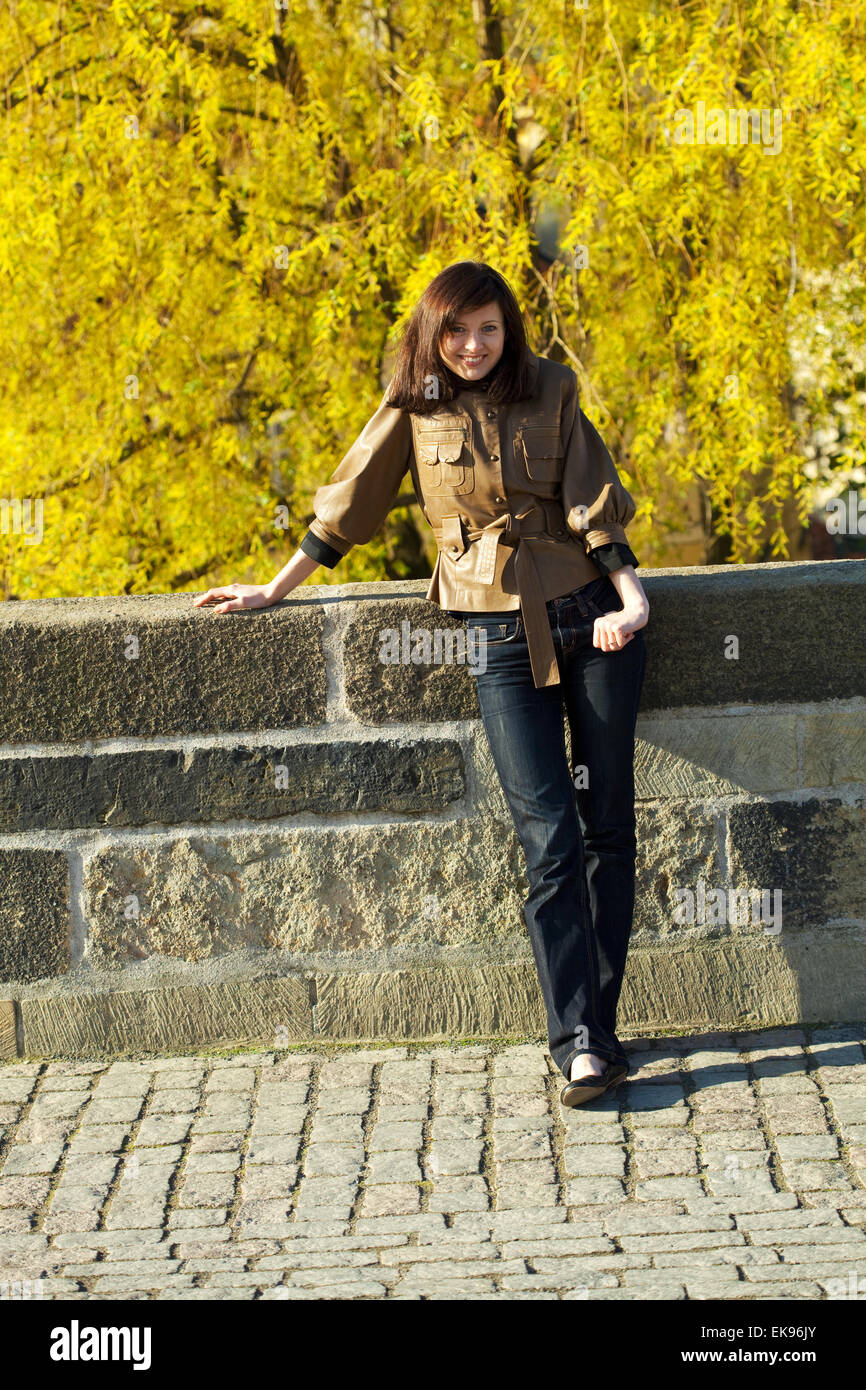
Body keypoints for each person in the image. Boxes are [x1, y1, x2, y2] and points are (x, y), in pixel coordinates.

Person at [194, 261, 650, 1108]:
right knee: (548, 832)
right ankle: (579, 1037)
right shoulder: (414, 403)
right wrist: (273, 588)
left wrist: (630, 595)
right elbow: (349, 504)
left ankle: (598, 1032)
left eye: (488, 328)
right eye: (457, 331)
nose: (473, 346)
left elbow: (593, 500)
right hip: (496, 628)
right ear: (433, 334)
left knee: (608, 829)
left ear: (509, 328)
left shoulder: (552, 386)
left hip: (590, 619)